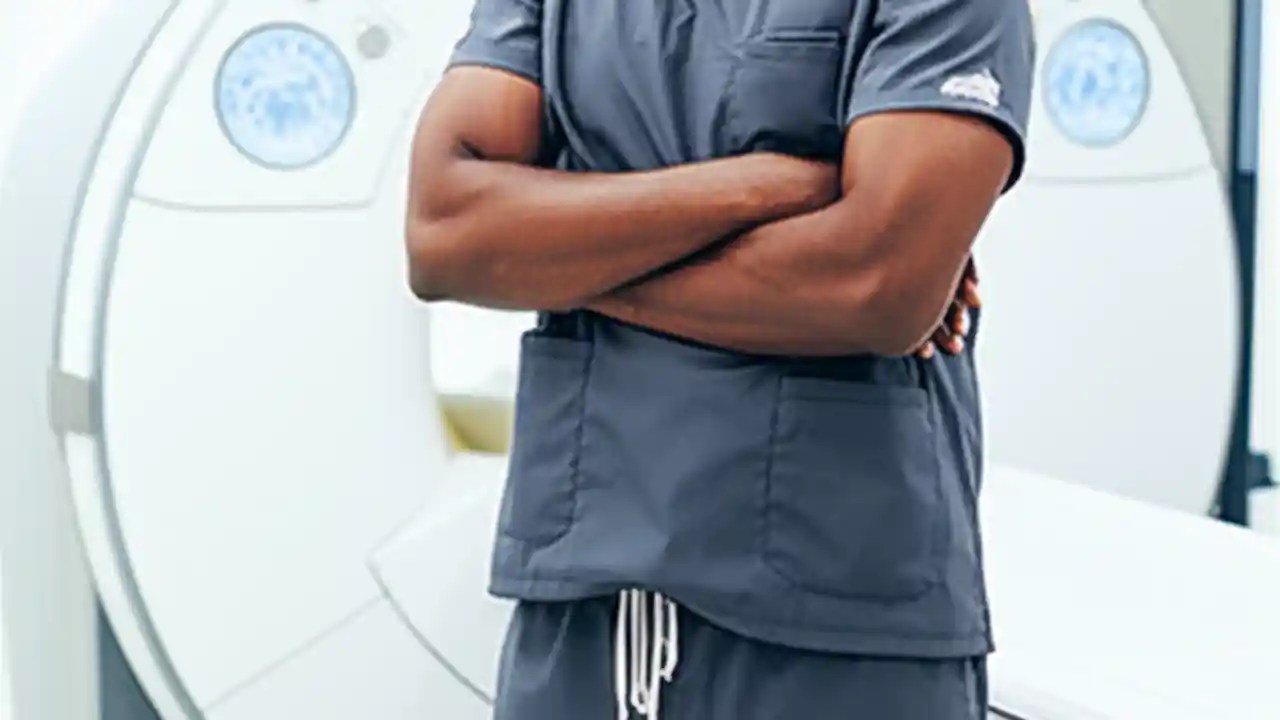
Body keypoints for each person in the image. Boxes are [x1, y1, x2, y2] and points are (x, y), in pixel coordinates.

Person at [405, 0, 1033, 717]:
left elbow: (874, 285)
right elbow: (444, 233)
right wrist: (770, 185)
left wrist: (554, 257)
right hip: (582, 600)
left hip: (841, 614)